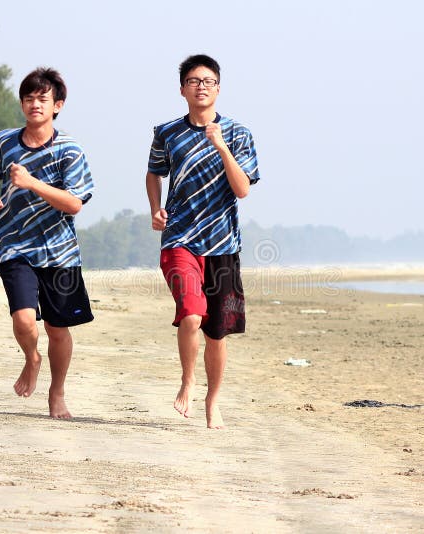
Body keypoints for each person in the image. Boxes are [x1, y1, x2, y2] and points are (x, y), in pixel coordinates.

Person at [145, 54, 261, 429]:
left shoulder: (239, 134)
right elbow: (153, 173)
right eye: (194, 81)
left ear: (219, 89)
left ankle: (213, 401)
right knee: (192, 314)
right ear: (182, 89)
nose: (201, 87)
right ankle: (188, 381)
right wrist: (155, 209)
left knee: (217, 333)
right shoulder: (167, 133)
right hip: (179, 239)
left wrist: (221, 146)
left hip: (223, 244)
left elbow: (242, 189)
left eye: (208, 81)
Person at [0, 67, 94, 419]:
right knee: (25, 319)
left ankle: (57, 392)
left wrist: (32, 183)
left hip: (60, 253)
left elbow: (74, 203)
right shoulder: (4, 141)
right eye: (29, 99)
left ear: (58, 105)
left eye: (43, 99)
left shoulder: (70, 150)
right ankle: (31, 358)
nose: (35, 105)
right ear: (22, 104)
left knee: (57, 329)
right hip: (14, 246)